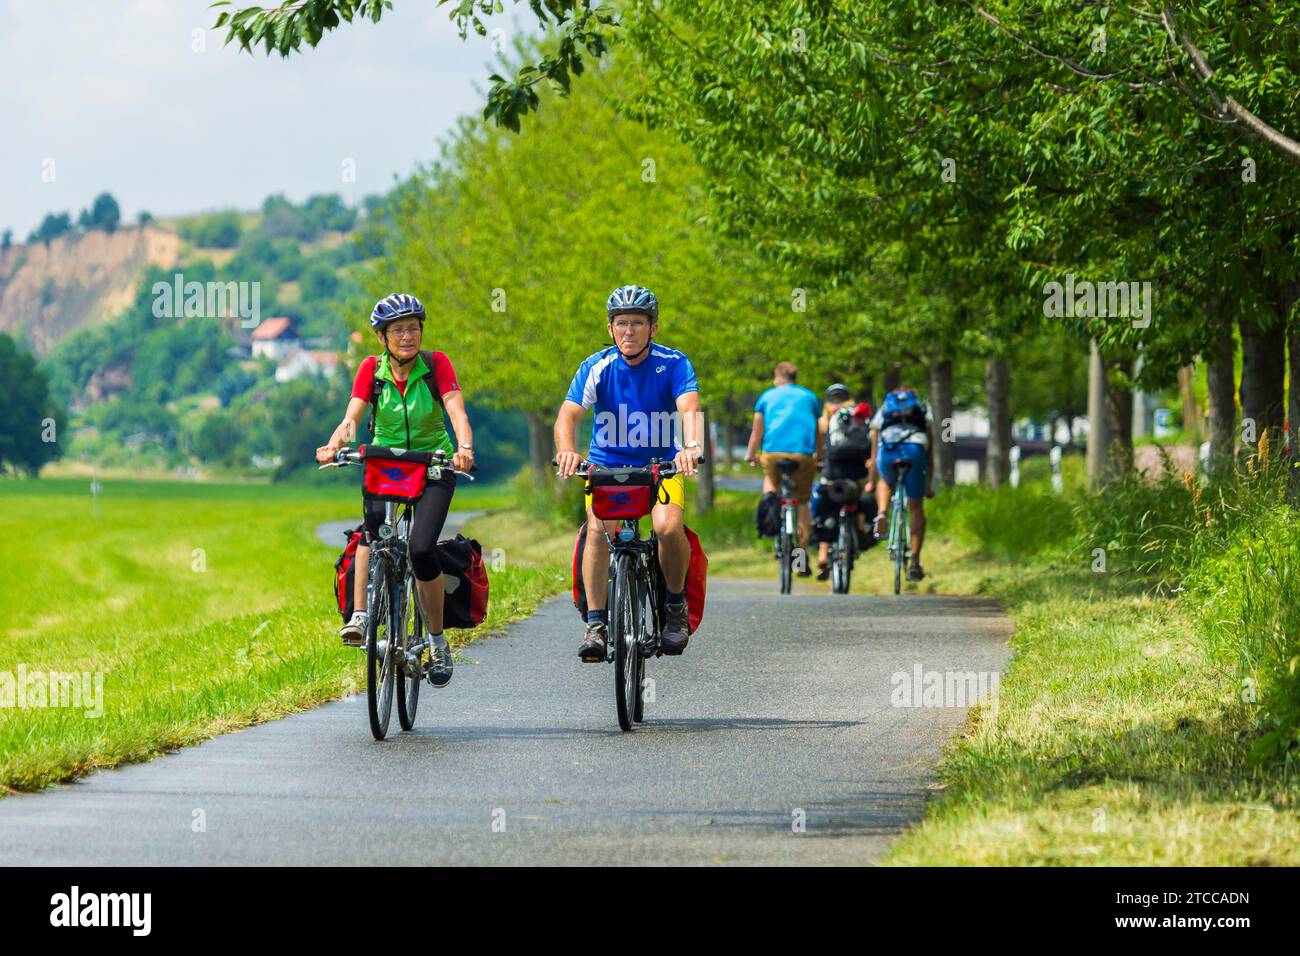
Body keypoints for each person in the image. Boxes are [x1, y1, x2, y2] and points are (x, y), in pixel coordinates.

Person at [315, 293, 475, 687]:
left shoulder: (436, 365)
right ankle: (360, 616)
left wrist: (465, 449)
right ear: (382, 337)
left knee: (421, 548)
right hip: (386, 463)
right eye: (399, 330)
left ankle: (436, 642)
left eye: (413, 328)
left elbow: (456, 411)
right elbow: (352, 417)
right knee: (372, 530)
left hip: (433, 464)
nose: (408, 336)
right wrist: (336, 443)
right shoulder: (371, 370)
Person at [554, 284, 702, 660]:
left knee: (668, 528)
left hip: (661, 466)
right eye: (621, 323)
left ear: (653, 328)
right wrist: (567, 451)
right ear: (610, 329)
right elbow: (568, 415)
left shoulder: (673, 363)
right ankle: (597, 624)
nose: (629, 331)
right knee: (596, 530)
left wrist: (692, 447)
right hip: (607, 466)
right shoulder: (597, 366)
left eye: (638, 323)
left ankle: (673, 608)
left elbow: (689, 408)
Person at [745, 362, 822, 575]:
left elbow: (756, 431)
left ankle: (771, 521)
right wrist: (819, 456)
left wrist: (751, 455)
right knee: (803, 502)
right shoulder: (810, 397)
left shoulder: (767, 396)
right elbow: (818, 431)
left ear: (777, 377)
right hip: (802, 455)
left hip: (773, 453)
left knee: (770, 480)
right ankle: (801, 559)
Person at [867, 386, 935, 581]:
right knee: (915, 506)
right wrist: (928, 485)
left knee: (885, 482)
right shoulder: (923, 408)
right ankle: (914, 561)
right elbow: (930, 451)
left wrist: (871, 479)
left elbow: (874, 437)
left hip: (888, 450)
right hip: (915, 449)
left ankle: (881, 513)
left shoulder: (885, 407)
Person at [810, 384, 876, 579]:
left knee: (825, 502)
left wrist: (819, 461)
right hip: (857, 470)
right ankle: (861, 528)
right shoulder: (859, 416)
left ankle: (823, 552)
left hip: (833, 470)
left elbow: (819, 446)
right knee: (858, 496)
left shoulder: (825, 419)